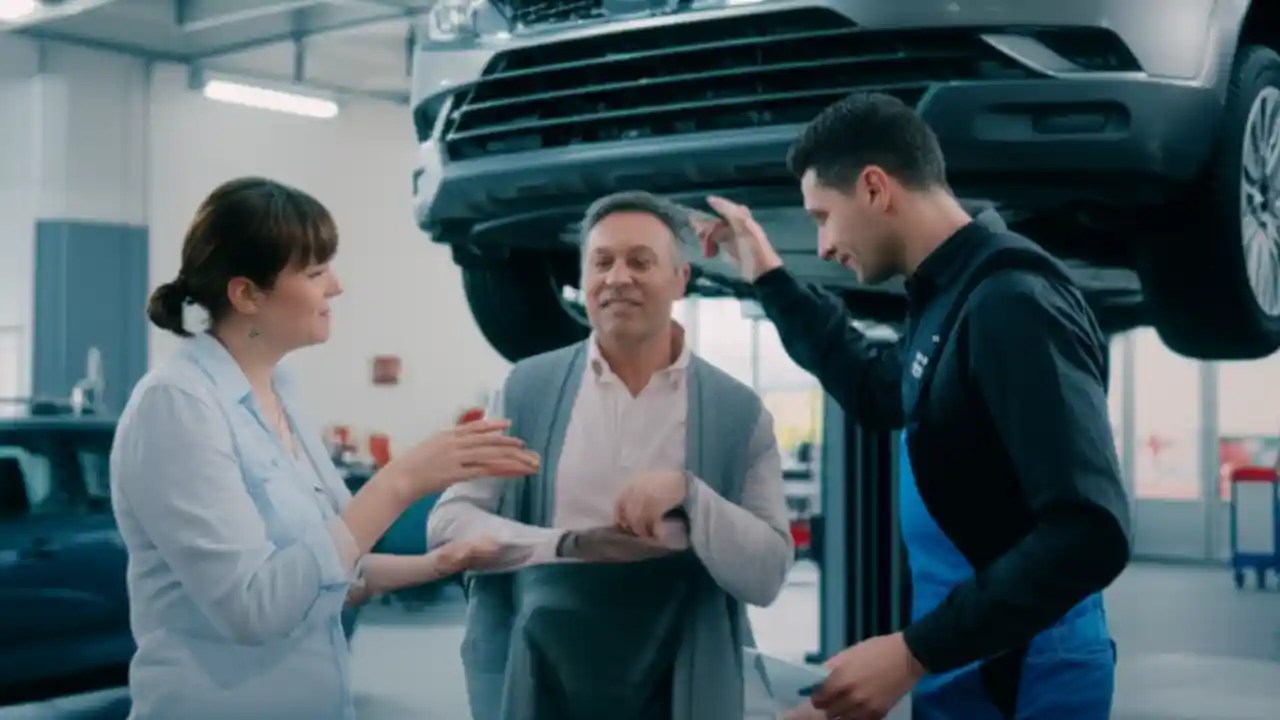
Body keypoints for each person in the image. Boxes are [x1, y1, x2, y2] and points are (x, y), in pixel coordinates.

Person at [697, 93, 1132, 720]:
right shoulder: (949, 293)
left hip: (1025, 672)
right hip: (963, 655)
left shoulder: (1013, 302)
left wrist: (910, 653)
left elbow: (1089, 532)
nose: (820, 245)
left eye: (824, 216)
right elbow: (879, 387)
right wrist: (766, 272)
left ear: (875, 187)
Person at [109, 177, 540, 720]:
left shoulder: (280, 393)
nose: (335, 286)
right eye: (315, 273)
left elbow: (334, 572)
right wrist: (399, 482)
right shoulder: (177, 407)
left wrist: (439, 564)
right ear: (246, 294)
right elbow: (257, 607)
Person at [427, 190, 794, 720]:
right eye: (602, 262)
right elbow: (449, 521)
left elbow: (768, 572)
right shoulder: (526, 390)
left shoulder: (738, 413)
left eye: (641, 261)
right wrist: (568, 544)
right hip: (544, 670)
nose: (618, 277)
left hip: (679, 674)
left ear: (680, 278)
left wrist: (691, 495)